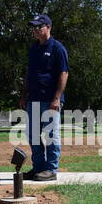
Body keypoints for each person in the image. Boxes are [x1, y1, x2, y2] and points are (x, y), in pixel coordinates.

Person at [19, 14, 68, 181]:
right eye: (34, 27)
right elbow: (29, 74)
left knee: (50, 134)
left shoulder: (57, 48)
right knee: (33, 135)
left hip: (50, 100)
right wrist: (24, 95)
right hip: (33, 99)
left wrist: (57, 98)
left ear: (48, 27)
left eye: (39, 27)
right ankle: (38, 167)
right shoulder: (33, 49)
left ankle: (51, 170)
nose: (35, 30)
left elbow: (64, 73)